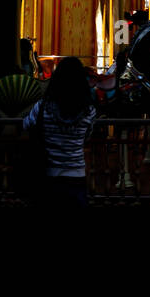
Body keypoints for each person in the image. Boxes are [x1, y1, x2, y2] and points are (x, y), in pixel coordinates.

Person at [23, 56, 96, 206]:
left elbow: (26, 125)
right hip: (76, 175)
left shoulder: (43, 107)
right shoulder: (89, 111)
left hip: (49, 174)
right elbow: (87, 136)